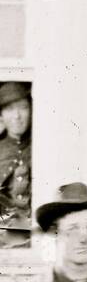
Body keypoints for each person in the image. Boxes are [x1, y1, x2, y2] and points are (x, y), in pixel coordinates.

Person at [0, 81, 32, 248]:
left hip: (33, 237)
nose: (17, 116)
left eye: (23, 108)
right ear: (1, 116)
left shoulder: (38, 147)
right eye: (10, 109)